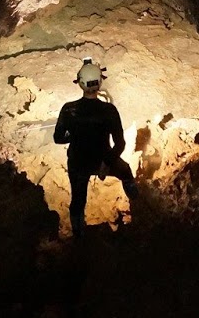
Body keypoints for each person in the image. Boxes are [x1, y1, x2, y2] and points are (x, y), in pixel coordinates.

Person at [53, 57, 138, 237]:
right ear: (99, 83)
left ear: (81, 84)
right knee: (126, 172)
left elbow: (58, 138)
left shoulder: (69, 109)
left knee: (78, 199)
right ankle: (138, 203)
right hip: (103, 159)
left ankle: (78, 235)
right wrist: (105, 165)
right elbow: (120, 143)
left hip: (78, 162)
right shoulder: (109, 110)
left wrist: (75, 134)